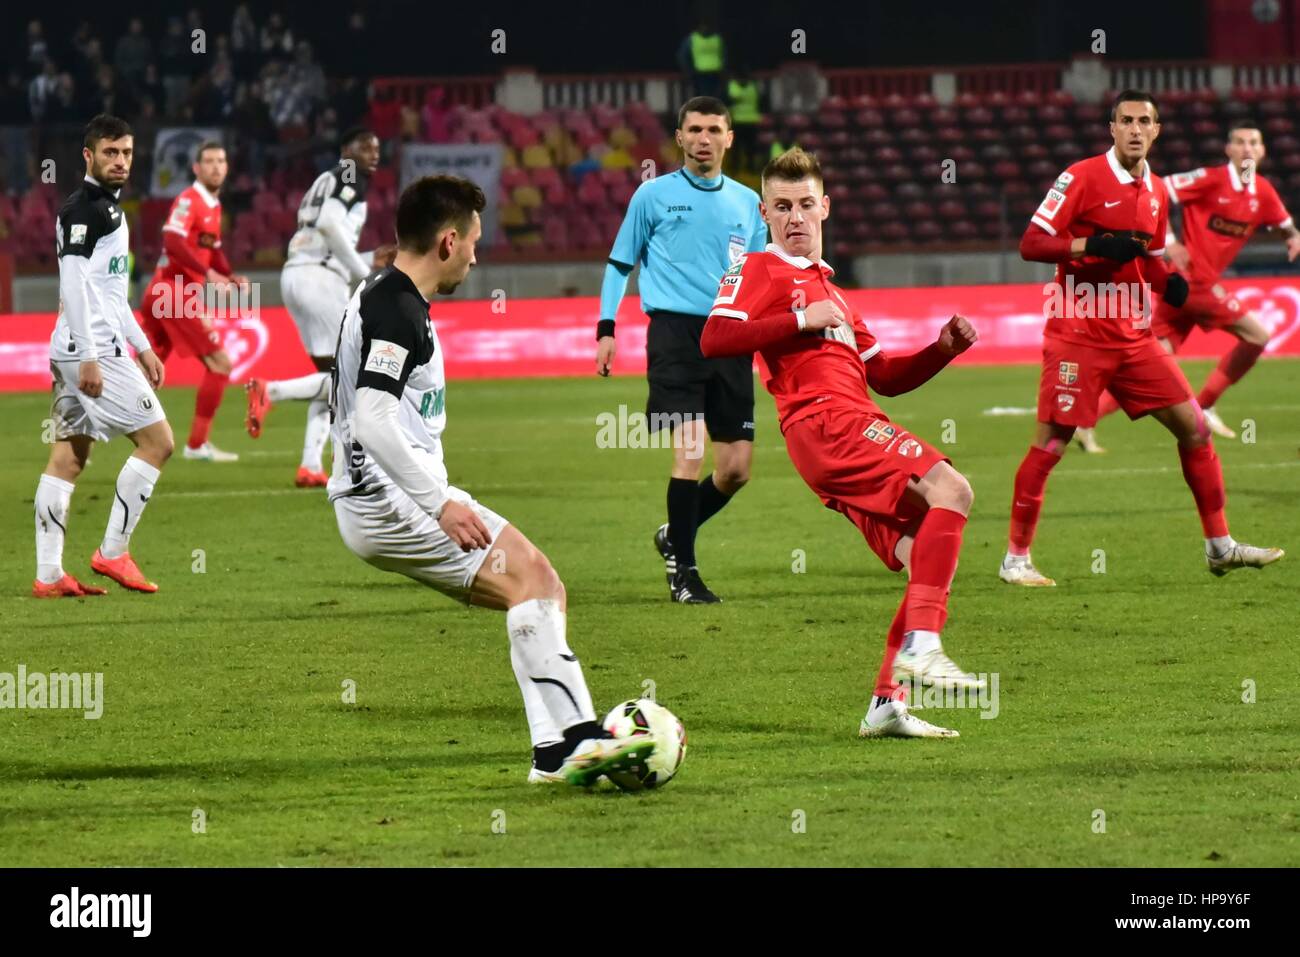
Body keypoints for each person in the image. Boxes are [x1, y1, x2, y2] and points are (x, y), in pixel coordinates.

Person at [328, 174, 648, 785]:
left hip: (388, 496)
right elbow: (370, 417)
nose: (477, 255)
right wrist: (439, 501)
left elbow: (351, 398)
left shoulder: (381, 294)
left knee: (541, 586)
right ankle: (583, 741)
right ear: (448, 241)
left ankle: (553, 753)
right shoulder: (396, 308)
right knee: (530, 578)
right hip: (391, 502)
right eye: (474, 241)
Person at [701, 147, 982, 737]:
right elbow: (715, 338)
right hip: (827, 423)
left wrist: (942, 350)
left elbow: (884, 376)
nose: (796, 217)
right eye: (782, 207)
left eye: (806, 204)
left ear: (825, 206)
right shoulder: (758, 269)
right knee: (953, 490)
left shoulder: (833, 291)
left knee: (924, 552)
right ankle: (925, 644)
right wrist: (801, 321)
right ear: (764, 213)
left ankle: (886, 703)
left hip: (848, 422)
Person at [1001, 90, 1283, 587]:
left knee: (1194, 429)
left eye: (1144, 122)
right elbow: (1031, 243)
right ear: (1112, 128)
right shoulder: (1081, 176)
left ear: (1156, 131)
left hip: (1134, 337)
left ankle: (1220, 547)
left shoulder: (1153, 188)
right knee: (1051, 444)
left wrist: (1167, 280)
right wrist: (1090, 244)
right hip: (1078, 332)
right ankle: (1016, 560)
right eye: (1125, 120)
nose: (1134, 129)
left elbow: (1148, 254)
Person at [596, 97, 767, 603]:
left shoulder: (745, 202)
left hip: (730, 335)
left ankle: (675, 533)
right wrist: (606, 328)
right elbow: (618, 264)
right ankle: (684, 575)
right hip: (674, 335)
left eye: (714, 129)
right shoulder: (652, 196)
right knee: (690, 450)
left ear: (729, 138)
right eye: (694, 129)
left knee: (736, 468)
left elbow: (758, 276)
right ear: (679, 137)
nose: (704, 139)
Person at [1082, 122, 1300, 450]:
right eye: (1239, 142)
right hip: (1193, 280)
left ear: (1263, 150)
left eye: (1253, 142)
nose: (1246, 149)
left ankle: (1084, 421)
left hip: (1180, 288)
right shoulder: (1210, 180)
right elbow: (1153, 188)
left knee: (1154, 360)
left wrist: (1294, 237)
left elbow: (1285, 225)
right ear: (1228, 149)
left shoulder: (1263, 193)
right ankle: (1208, 404)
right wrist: (1168, 240)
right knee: (1258, 336)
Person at [34, 113, 173, 598]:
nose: (121, 161)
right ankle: (113, 552)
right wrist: (92, 355)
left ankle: (49, 576)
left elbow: (110, 295)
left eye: (127, 152)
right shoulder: (83, 210)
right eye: (110, 152)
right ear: (88, 156)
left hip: (77, 346)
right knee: (158, 443)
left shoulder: (110, 211)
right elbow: (71, 283)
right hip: (88, 350)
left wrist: (143, 345)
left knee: (68, 459)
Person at [244, 127, 394, 486]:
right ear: (346, 149)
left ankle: (311, 464)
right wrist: (364, 273)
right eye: (364, 146)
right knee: (347, 378)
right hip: (322, 282)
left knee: (330, 378)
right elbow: (328, 224)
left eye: (377, 147)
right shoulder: (349, 173)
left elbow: (320, 234)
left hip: (298, 274)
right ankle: (271, 390)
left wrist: (370, 257)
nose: (373, 153)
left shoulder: (324, 180)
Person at [140, 140, 247, 461]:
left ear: (227, 168)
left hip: (165, 293)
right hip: (173, 293)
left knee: (144, 373)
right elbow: (172, 240)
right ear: (196, 168)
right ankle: (197, 445)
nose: (216, 166)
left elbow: (210, 248)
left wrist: (228, 275)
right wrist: (210, 276)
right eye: (209, 161)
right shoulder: (189, 199)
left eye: (221, 161)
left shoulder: (213, 205)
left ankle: (82, 427)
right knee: (220, 364)